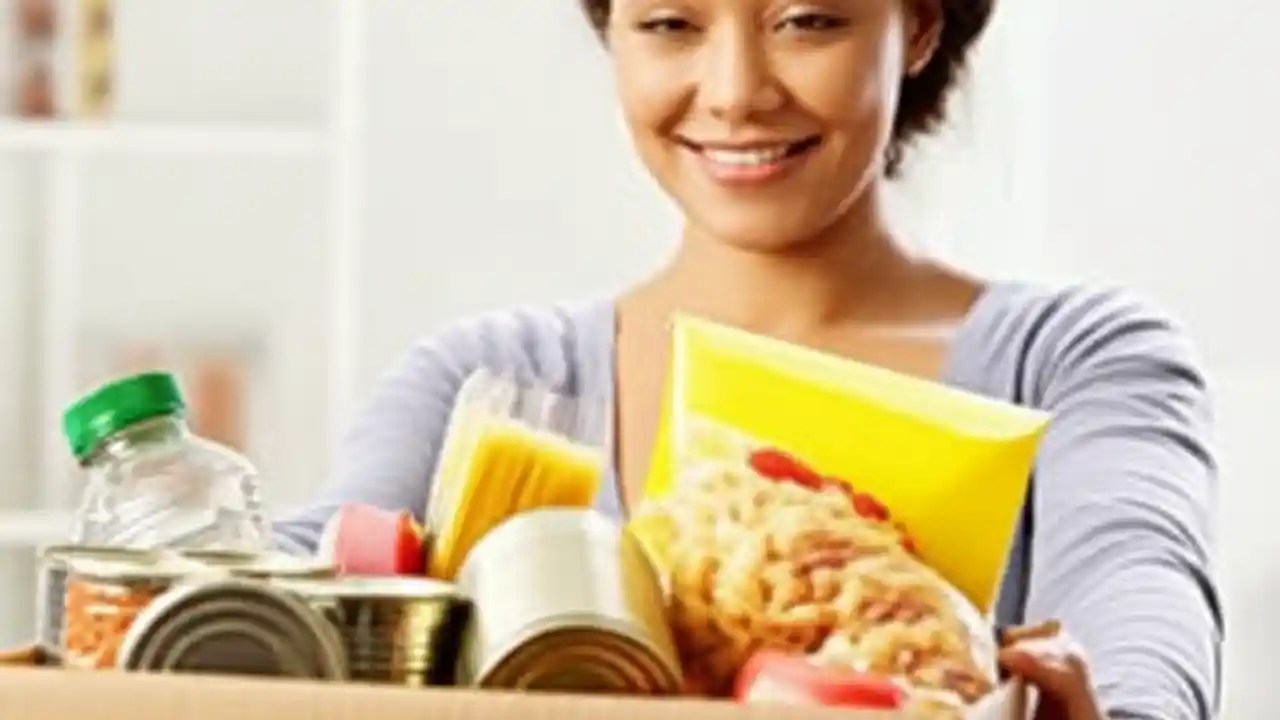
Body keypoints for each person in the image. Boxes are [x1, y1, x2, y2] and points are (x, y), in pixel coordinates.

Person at [277, 0, 1222, 717]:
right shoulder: (488, 385)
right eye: (671, 23)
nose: (735, 91)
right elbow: (270, 608)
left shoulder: (1074, 363)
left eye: (805, 20)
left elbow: (1141, 628)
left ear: (919, 27)